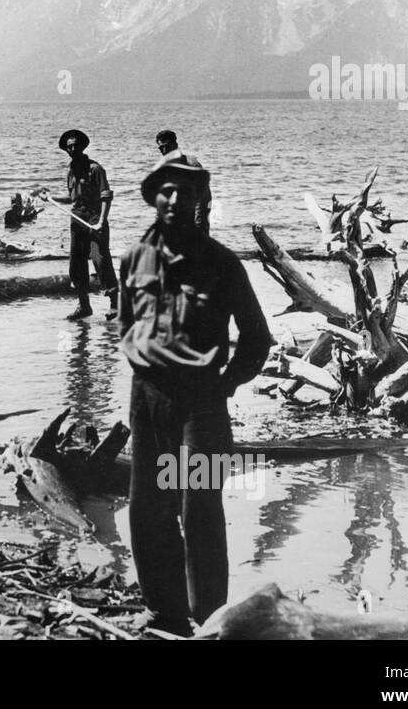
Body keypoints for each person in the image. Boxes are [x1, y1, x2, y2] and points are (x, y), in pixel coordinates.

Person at [118, 153, 272, 636]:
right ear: (153, 195)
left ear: (202, 199)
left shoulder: (221, 264)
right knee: (148, 506)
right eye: (166, 189)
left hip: (200, 405)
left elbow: (257, 338)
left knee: (199, 507)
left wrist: (225, 384)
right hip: (146, 400)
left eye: (186, 191)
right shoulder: (132, 258)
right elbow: (126, 324)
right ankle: (163, 612)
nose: (175, 199)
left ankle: (209, 619)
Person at [44, 129, 116, 321]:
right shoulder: (71, 170)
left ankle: (115, 304)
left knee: (100, 260)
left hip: (94, 221)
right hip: (77, 222)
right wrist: (50, 197)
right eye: (69, 147)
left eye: (75, 145)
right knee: (76, 264)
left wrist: (101, 221)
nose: (72, 149)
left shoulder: (95, 169)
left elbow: (106, 197)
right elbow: (72, 199)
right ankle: (84, 306)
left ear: (83, 146)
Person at [155, 130, 212, 236]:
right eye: (161, 148)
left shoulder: (192, 166)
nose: (164, 150)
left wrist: (198, 226)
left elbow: (203, 199)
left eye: (167, 146)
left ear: (175, 145)